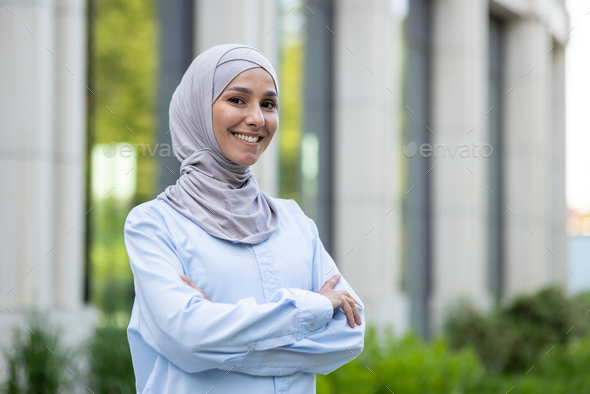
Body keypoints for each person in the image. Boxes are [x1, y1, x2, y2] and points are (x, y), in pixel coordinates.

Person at [123, 43, 365, 394]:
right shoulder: (154, 224)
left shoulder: (294, 221)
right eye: (237, 100)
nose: (256, 118)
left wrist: (215, 342)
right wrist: (312, 308)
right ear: (197, 110)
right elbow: (189, 333)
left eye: (268, 104)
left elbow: (349, 335)